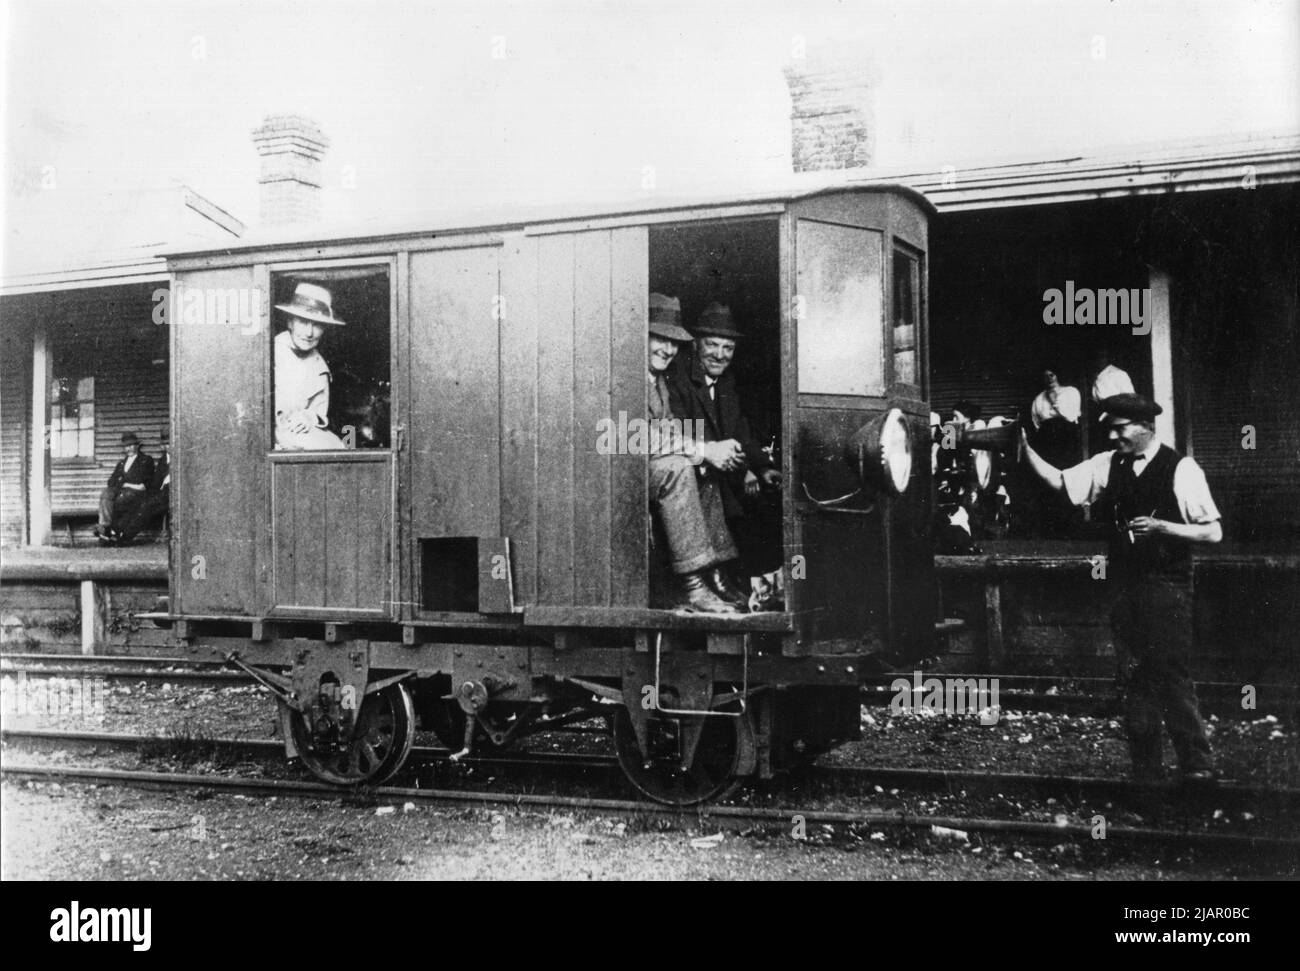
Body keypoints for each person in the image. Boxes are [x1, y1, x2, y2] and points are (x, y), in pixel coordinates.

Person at [1019, 393, 1222, 782]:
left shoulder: (1182, 469)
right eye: (1110, 429)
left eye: (1121, 428)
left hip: (1167, 585)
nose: (1113, 436)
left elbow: (1213, 531)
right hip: (1124, 586)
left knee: (1170, 673)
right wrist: (1025, 449)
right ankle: (1147, 773)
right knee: (1134, 678)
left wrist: (1164, 527)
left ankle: (1199, 766)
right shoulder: (1106, 464)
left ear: (1147, 427)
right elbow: (1060, 482)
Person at [667, 301, 783, 584]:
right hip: (700, 469)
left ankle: (769, 584)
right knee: (739, 509)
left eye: (727, 348)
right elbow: (688, 434)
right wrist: (742, 471)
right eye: (712, 345)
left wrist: (763, 466)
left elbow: (740, 429)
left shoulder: (727, 381)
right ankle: (728, 580)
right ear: (695, 344)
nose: (719, 355)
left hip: (726, 469)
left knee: (774, 502)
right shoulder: (679, 377)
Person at [647, 293, 747, 613]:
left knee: (699, 468)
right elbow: (637, 438)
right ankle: (692, 585)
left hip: (648, 468)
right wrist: (703, 449)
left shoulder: (658, 380)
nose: (668, 349)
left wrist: (702, 455)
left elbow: (671, 429)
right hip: (620, 473)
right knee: (678, 467)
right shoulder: (625, 378)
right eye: (659, 339)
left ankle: (714, 570)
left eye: (674, 342)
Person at [274, 282, 346, 449]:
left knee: (338, 447)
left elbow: (319, 413)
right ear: (290, 322)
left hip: (302, 439)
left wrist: (309, 417)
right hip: (273, 442)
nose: (309, 333)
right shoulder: (270, 353)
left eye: (317, 324)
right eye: (303, 321)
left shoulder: (320, 367)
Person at [109, 430, 170, 544]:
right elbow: (155, 482)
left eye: (171, 443)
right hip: (159, 494)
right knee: (140, 505)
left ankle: (124, 537)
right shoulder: (163, 460)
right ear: (162, 446)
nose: (169, 446)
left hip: (171, 493)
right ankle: (117, 534)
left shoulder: (147, 460)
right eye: (166, 444)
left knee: (144, 506)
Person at [95, 432, 154, 541]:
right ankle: (105, 526)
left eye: (131, 445)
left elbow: (145, 484)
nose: (129, 448)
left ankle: (115, 532)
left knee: (121, 499)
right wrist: (121, 484)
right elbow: (111, 481)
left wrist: (125, 483)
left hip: (137, 493)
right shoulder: (121, 463)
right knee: (106, 493)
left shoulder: (146, 460)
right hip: (120, 491)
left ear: (137, 446)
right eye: (126, 446)